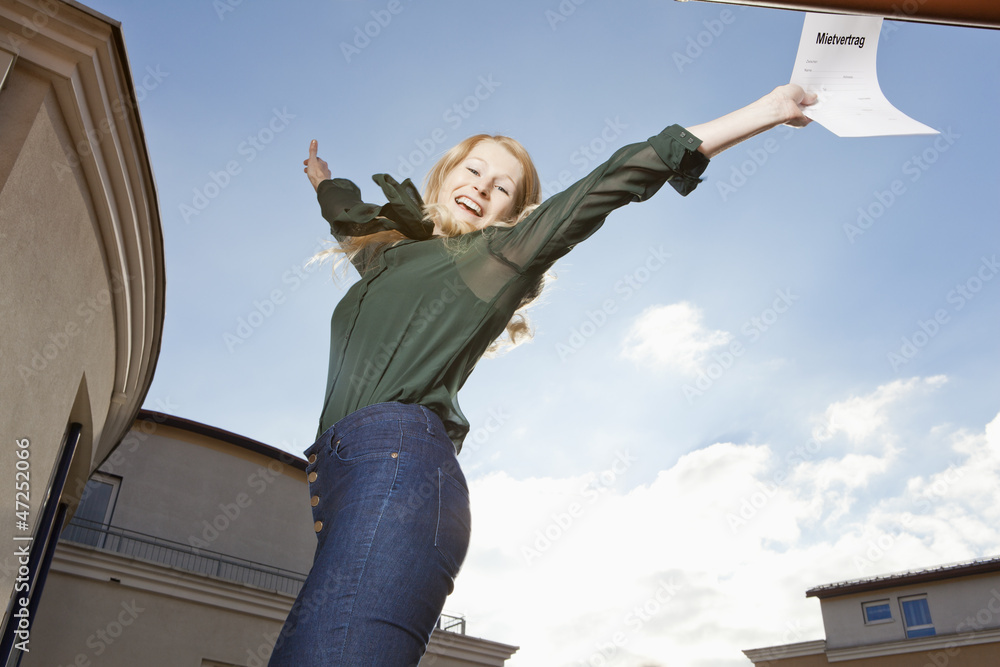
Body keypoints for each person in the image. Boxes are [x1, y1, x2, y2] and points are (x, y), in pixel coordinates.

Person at [268, 84, 816, 667]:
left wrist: (769, 111)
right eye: (473, 169)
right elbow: (347, 216)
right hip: (345, 482)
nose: (481, 185)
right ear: (444, 176)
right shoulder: (389, 254)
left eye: (500, 186)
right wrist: (323, 178)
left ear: (513, 214)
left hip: (399, 468)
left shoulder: (491, 259)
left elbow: (613, 180)